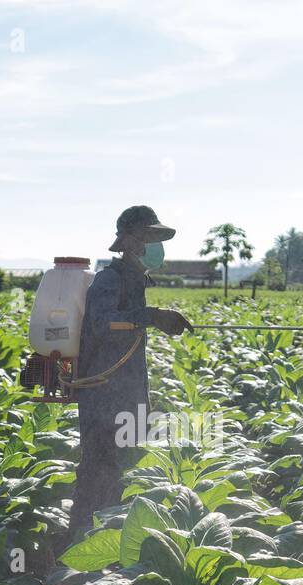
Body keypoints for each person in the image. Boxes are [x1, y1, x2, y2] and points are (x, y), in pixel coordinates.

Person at [69, 205, 192, 539]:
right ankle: (76, 550)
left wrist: (155, 317)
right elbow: (102, 322)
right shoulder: (110, 279)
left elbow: (128, 327)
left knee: (121, 473)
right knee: (98, 471)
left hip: (126, 396)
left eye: (156, 237)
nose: (153, 244)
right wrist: (152, 316)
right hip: (103, 398)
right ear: (127, 242)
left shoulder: (134, 281)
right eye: (146, 236)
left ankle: (106, 544)